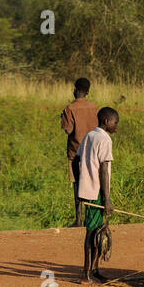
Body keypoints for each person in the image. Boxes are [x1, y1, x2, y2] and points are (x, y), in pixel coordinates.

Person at [75, 106, 118, 284]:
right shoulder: (104, 139)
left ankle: (95, 269)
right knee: (92, 233)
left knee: (99, 232)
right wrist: (106, 199)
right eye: (115, 122)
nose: (116, 126)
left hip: (88, 189)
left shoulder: (89, 135)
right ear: (106, 121)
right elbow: (104, 170)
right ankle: (86, 274)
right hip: (97, 192)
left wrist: (79, 184)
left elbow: (76, 160)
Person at [61, 78, 97, 227]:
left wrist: (62, 120)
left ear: (75, 89)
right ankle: (91, 218)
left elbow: (68, 129)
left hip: (75, 152)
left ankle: (78, 219)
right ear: (87, 92)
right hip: (91, 152)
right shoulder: (94, 108)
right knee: (91, 184)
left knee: (77, 185)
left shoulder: (70, 108)